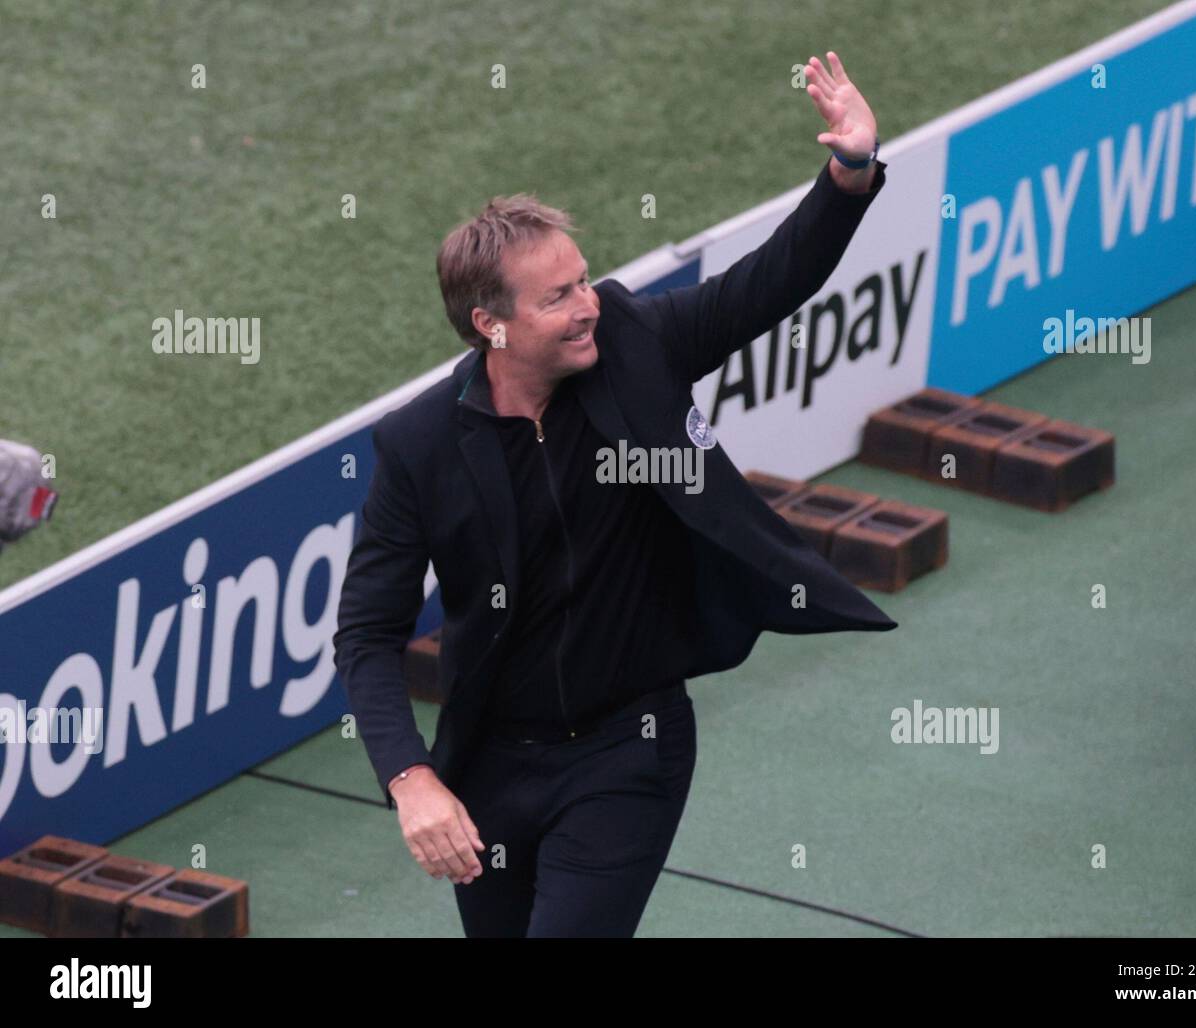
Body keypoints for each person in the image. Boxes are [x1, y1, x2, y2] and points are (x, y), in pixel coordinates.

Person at [333, 51, 897, 937]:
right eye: (559, 297)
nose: (588, 304)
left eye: (584, 279)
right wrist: (412, 779)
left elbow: (770, 283)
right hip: (488, 768)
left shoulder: (635, 342)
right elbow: (367, 633)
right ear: (493, 326)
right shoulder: (421, 444)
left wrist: (849, 169)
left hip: (627, 749)